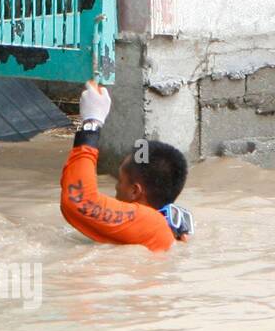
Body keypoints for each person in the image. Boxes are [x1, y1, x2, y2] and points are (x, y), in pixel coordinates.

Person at [60, 82, 193, 252]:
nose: (115, 188)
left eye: (120, 181)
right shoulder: (166, 224)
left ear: (135, 191)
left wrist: (91, 123)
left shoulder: (149, 221)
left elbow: (79, 201)